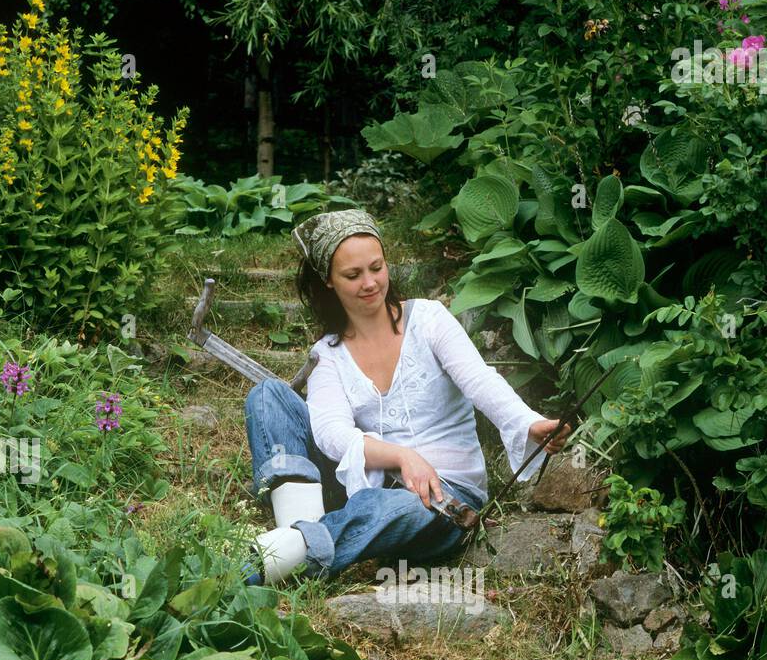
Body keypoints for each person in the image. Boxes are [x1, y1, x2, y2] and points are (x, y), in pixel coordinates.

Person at [242, 207, 571, 584]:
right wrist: (402, 456)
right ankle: (300, 536)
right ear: (328, 281)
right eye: (353, 275)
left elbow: (480, 379)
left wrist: (528, 421)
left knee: (399, 508)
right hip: (368, 482)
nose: (370, 283)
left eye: (377, 267)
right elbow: (331, 433)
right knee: (269, 396)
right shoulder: (328, 354)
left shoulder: (429, 319)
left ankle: (276, 559)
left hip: (443, 496)